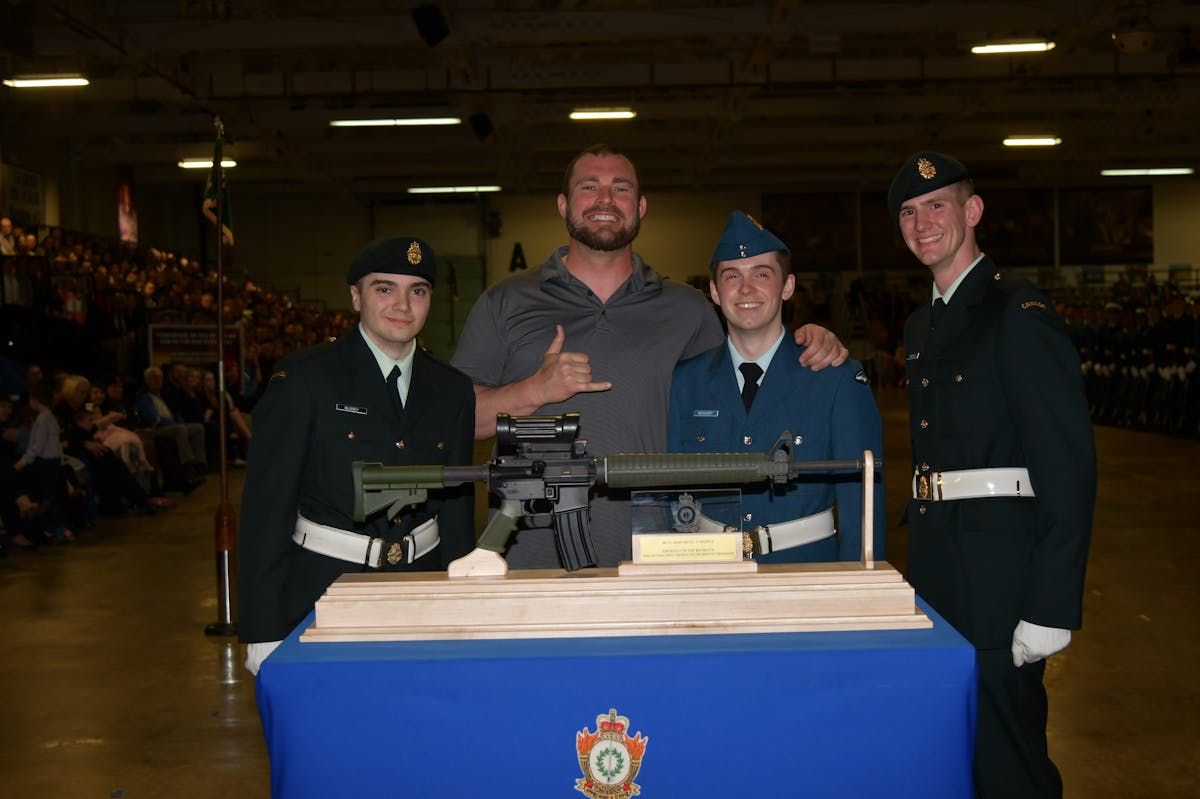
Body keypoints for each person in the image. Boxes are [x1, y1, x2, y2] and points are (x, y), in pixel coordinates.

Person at [451, 144, 847, 569]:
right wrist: (532, 391)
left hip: (659, 554)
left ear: (640, 207)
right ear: (563, 204)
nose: (605, 199)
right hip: (528, 556)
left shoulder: (688, 309)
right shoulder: (505, 302)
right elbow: (455, 422)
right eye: (590, 187)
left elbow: (746, 384)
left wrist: (806, 339)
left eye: (620, 189)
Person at [889, 150, 1096, 798]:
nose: (923, 224)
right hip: (939, 565)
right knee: (957, 749)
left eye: (938, 206)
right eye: (909, 213)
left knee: (1010, 757)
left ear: (972, 211)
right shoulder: (923, 323)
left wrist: (1051, 602)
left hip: (1001, 576)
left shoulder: (1016, 313)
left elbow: (1067, 463)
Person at [238, 236, 476, 675]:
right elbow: (265, 510)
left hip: (422, 589)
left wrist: (465, 602)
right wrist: (261, 627)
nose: (403, 305)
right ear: (355, 296)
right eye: (384, 289)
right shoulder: (305, 379)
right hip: (325, 589)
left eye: (417, 291)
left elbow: (456, 509)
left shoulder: (452, 390)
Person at [667, 212, 885, 563]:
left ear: (788, 286)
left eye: (762, 274)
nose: (746, 288)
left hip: (806, 577)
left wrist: (862, 587)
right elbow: (670, 494)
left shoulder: (834, 379)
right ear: (714, 292)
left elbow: (863, 502)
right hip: (711, 576)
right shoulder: (686, 382)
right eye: (731, 276)